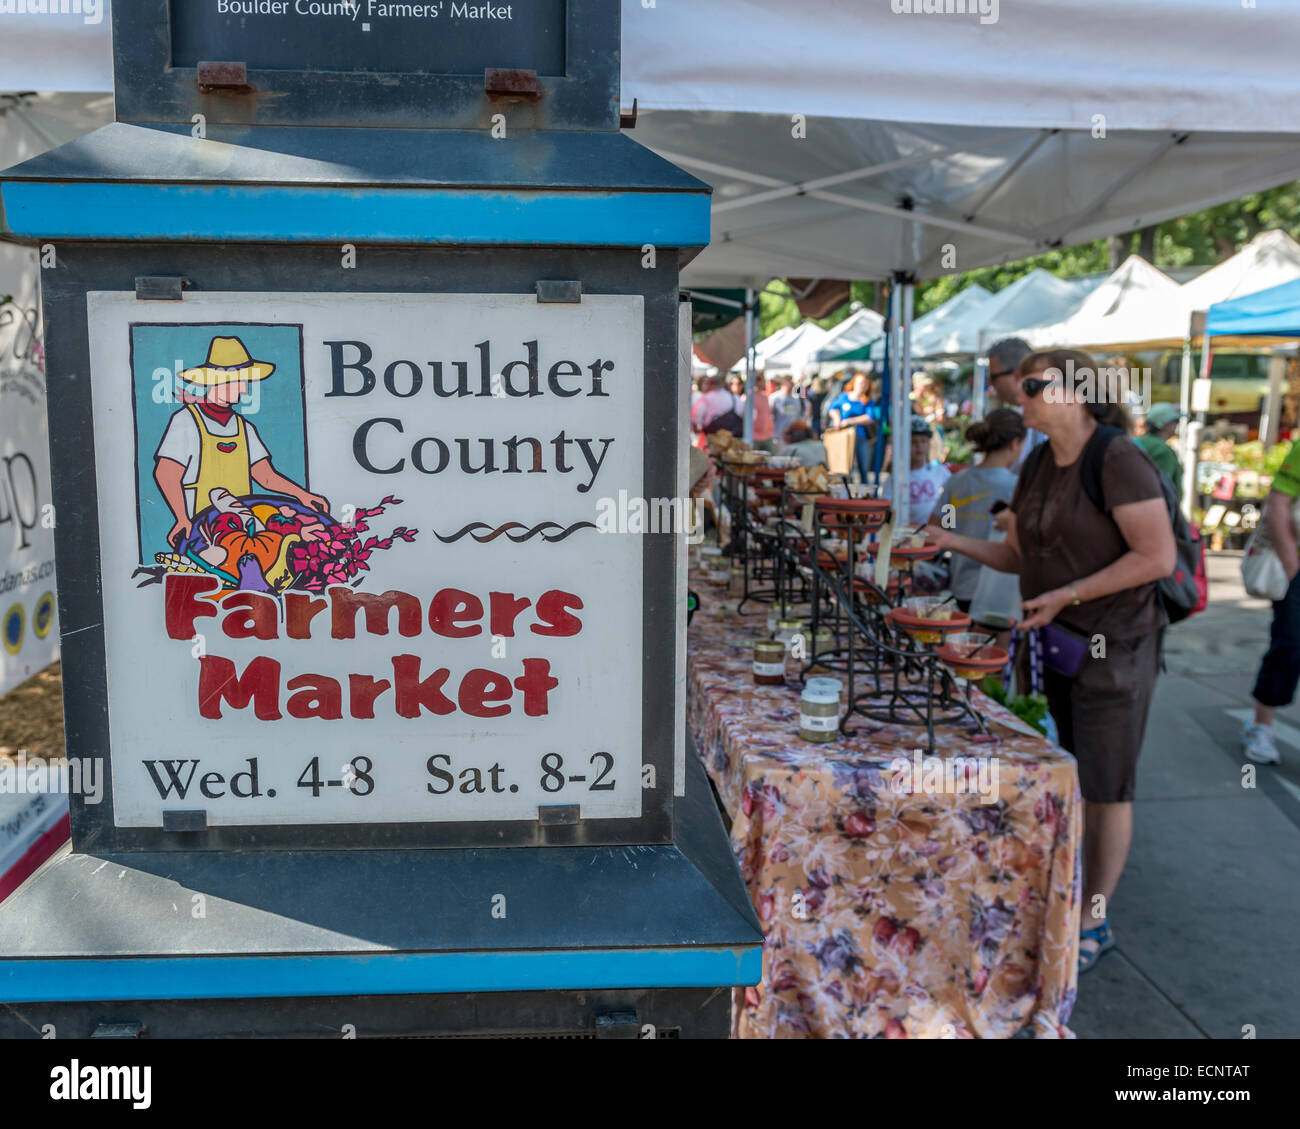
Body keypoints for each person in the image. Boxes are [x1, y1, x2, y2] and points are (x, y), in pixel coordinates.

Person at [928, 347, 1176, 976]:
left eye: (1035, 385)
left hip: (1113, 647)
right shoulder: (1038, 461)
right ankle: (1065, 892)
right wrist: (949, 541)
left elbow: (1156, 557)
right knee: (1064, 768)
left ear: (1075, 392)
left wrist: (1067, 594)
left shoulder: (1117, 457)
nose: (1021, 395)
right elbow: (1021, 559)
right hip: (1053, 641)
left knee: (1106, 785)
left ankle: (1096, 917)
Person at [154, 334, 328, 549]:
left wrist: (302, 495)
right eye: (241, 382)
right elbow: (166, 473)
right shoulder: (186, 420)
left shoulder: (244, 427)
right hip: (201, 530)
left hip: (243, 527)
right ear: (219, 379)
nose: (245, 389)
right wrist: (181, 517)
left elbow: (265, 476)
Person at [926, 408, 1024, 612]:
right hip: (1000, 591)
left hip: (961, 585)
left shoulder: (956, 482)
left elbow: (941, 528)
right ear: (1015, 443)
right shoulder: (1015, 486)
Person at [1240, 440, 1300, 766]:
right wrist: (1292, 570)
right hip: (1297, 570)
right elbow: (1278, 503)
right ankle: (1261, 725)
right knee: (1289, 647)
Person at [986, 337, 1048, 471]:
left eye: (993, 377)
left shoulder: (1046, 414)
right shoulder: (1022, 412)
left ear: (1017, 375)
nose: (990, 384)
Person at [827, 373, 884, 483]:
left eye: (865, 384)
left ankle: (865, 493)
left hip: (861, 437)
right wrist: (837, 419)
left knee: (863, 468)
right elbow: (832, 408)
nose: (862, 386)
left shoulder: (867, 400)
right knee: (845, 467)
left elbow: (869, 417)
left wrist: (850, 421)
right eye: (860, 383)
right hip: (844, 437)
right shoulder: (844, 396)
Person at [1136, 402, 1184, 485]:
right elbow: (1163, 486)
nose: (1176, 425)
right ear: (1163, 424)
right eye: (1175, 421)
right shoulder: (1162, 450)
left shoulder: (1138, 441)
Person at [690, 373, 742, 447]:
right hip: (731, 442)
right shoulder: (734, 398)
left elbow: (696, 417)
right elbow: (750, 416)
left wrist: (697, 431)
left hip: (710, 441)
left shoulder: (705, 398)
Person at [769, 376, 804, 440]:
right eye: (789, 382)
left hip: (793, 436)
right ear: (783, 383)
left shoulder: (796, 398)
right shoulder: (775, 398)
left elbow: (798, 416)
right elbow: (769, 416)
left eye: (792, 383)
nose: (791, 385)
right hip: (779, 436)